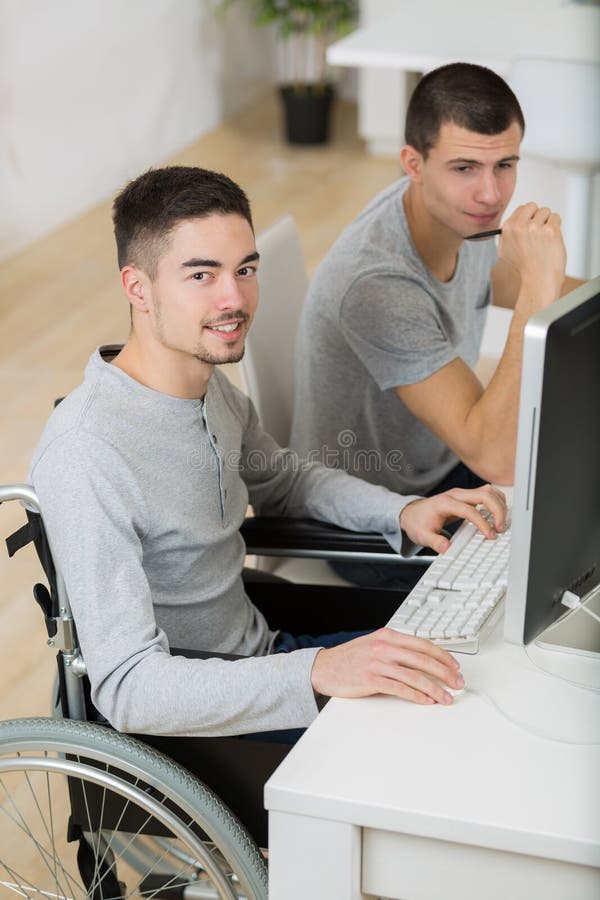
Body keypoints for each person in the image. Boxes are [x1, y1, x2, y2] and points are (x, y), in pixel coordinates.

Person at [29, 166, 506, 739]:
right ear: (137, 287)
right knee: (458, 719)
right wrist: (319, 670)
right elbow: (130, 688)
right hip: (205, 724)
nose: (234, 298)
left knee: (477, 661)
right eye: (201, 275)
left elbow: (284, 482)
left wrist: (400, 511)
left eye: (245, 269)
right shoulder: (86, 454)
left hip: (264, 656)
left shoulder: (206, 387)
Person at [290, 62, 581, 589]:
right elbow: (496, 456)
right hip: (377, 521)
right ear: (414, 163)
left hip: (446, 471)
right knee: (559, 565)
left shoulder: (453, 219)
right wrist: (539, 284)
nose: (491, 194)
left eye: (505, 165)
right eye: (465, 167)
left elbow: (511, 282)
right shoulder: (378, 284)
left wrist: (549, 282)